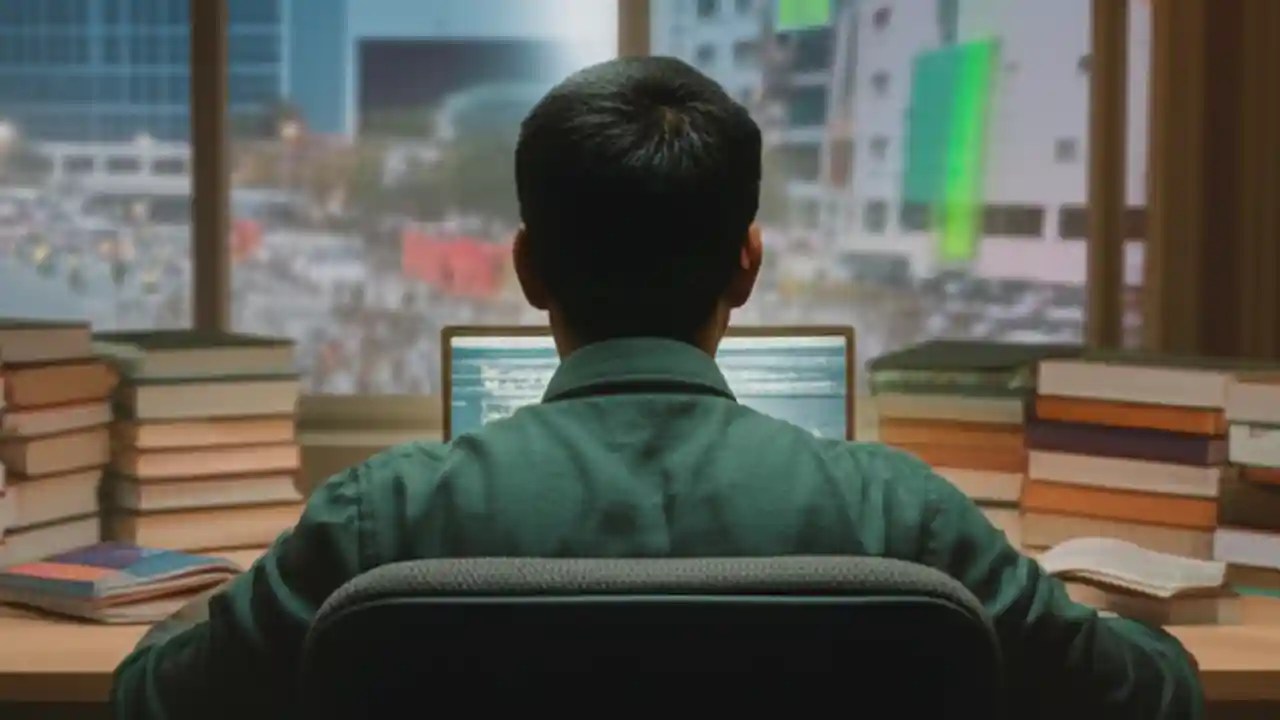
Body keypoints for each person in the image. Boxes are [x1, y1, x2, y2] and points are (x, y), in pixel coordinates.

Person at [111, 57, 1202, 718]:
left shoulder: (380, 518)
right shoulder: (900, 518)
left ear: (527, 269)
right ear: (746, 264)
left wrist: (193, 614)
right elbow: (1146, 697)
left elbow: (156, 700)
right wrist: (1121, 624)